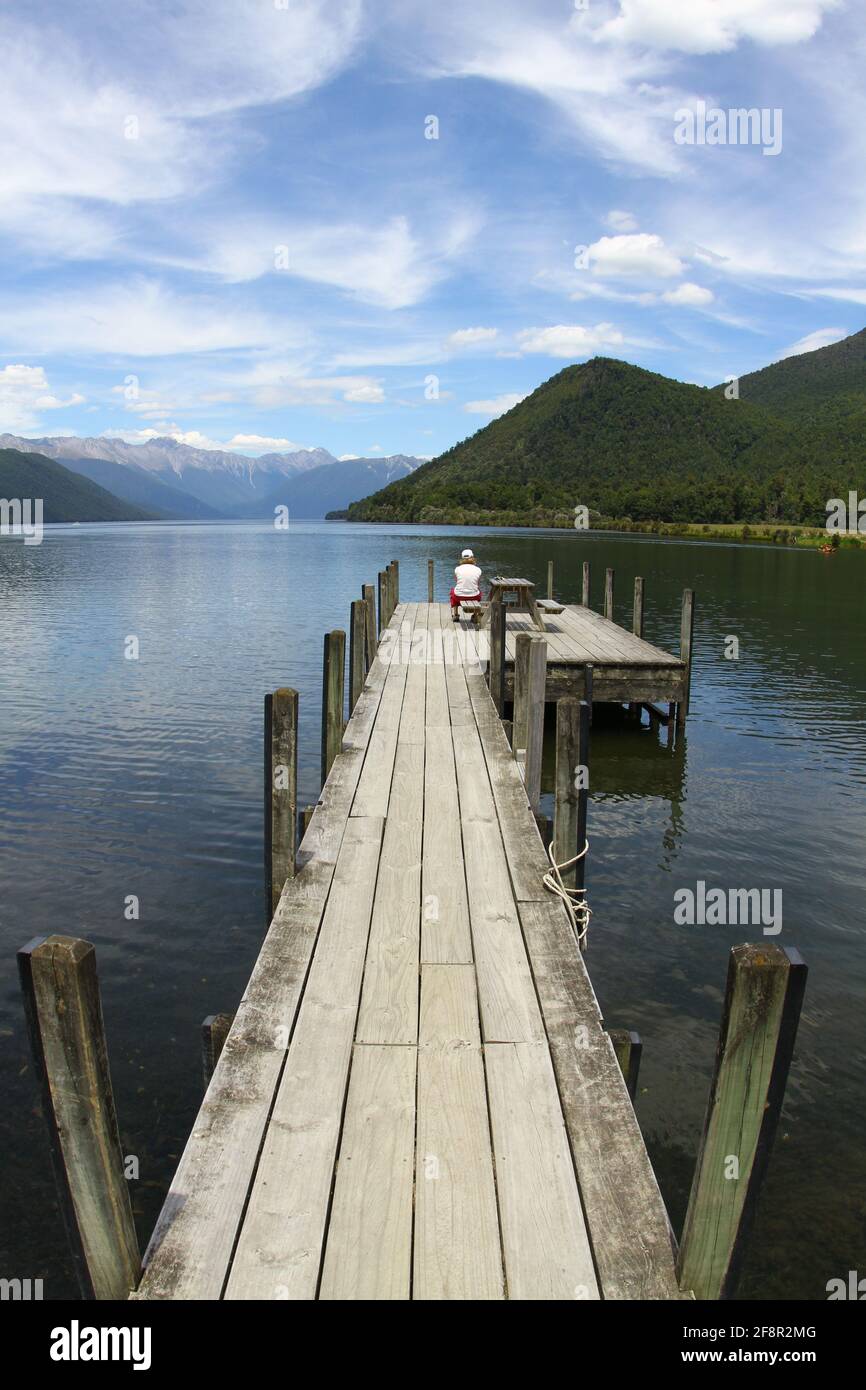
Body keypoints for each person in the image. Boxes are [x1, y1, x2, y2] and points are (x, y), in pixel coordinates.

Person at [450, 548, 483, 620]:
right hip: (474, 596)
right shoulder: (478, 569)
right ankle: (475, 615)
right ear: (472, 557)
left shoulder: (457, 569)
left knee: (453, 591)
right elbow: (477, 583)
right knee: (479, 592)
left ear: (462, 558)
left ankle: (455, 614)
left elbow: (457, 581)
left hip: (459, 597)